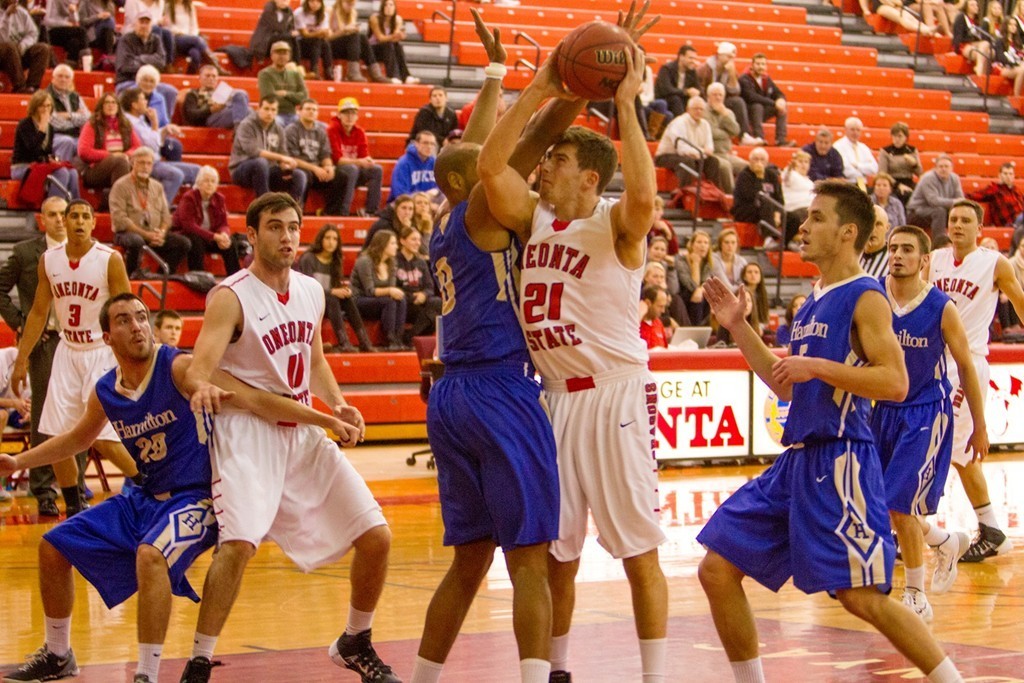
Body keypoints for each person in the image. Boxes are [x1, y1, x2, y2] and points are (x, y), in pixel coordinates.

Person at [0, 293, 357, 683]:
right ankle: (58, 654)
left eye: (141, 317)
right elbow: (77, 439)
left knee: (150, 555)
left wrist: (325, 419)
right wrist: (18, 462)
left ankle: (146, 674)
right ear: (107, 337)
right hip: (144, 497)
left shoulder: (178, 367)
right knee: (52, 547)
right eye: (124, 320)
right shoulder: (106, 390)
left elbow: (256, 400)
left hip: (197, 496)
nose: (137, 326)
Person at [697, 180, 963, 683]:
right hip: (796, 462)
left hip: (839, 459)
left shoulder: (866, 296)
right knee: (716, 568)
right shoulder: (813, 301)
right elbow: (785, 382)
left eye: (816, 217)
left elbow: (895, 381)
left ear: (847, 233)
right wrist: (738, 326)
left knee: (861, 597)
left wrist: (817, 367)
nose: (802, 227)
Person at [478, 38, 669, 682]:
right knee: (557, 552)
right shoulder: (532, 218)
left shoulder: (616, 224)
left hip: (615, 394)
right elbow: (490, 166)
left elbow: (644, 198)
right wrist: (539, 88)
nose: (544, 167)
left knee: (638, 551)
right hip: (555, 398)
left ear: (590, 178)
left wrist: (627, 105)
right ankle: (557, 670)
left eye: (557, 160)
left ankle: (654, 676)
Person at [180, 192, 397, 683]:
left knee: (376, 536)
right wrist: (211, 388)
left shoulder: (311, 289)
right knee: (238, 544)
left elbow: (314, 359)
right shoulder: (230, 296)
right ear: (252, 235)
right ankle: (199, 660)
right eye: (275, 227)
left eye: (293, 227)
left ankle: (355, 640)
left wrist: (337, 402)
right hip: (247, 433)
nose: (287, 236)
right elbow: (197, 370)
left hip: (300, 428)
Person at [876, 225, 987, 623]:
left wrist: (979, 425)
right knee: (882, 504)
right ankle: (945, 541)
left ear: (925, 260)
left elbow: (966, 367)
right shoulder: (874, 297)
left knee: (900, 503)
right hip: (881, 409)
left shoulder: (941, 307)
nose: (897, 255)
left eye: (907, 249)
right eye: (893, 248)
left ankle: (916, 594)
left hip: (925, 412)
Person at [10, 199, 139, 518]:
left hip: (101, 352)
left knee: (104, 438)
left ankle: (152, 487)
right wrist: (21, 360)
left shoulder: (109, 259)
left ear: (94, 223)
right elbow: (38, 312)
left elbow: (128, 310)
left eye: (85, 216)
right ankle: (74, 505)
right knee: (57, 433)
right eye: (74, 216)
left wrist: (132, 358)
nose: (79, 221)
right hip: (67, 350)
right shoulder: (49, 259)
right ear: (64, 222)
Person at [927, 199, 1024, 563]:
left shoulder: (994, 263)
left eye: (966, 220)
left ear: (980, 229)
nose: (958, 225)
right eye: (953, 219)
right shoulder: (934, 260)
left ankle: (986, 528)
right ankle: (919, 526)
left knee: (957, 449)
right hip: (934, 362)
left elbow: (1019, 301)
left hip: (967, 363)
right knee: (933, 443)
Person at [0, 197, 88, 518]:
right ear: (42, 220)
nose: (60, 220)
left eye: (64, 214)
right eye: (52, 214)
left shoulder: (87, 253)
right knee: (44, 415)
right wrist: (20, 323)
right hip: (45, 342)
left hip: (80, 342)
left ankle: (77, 488)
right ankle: (43, 490)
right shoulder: (27, 253)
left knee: (81, 414)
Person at [110, 147, 192, 277]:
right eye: (141, 163)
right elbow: (120, 219)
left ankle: (162, 277)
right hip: (127, 233)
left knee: (183, 243)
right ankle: (131, 277)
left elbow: (166, 216)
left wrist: (162, 232)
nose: (145, 167)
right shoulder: (120, 185)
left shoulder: (157, 186)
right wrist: (146, 235)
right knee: (136, 241)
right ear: (132, 163)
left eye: (149, 163)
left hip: (153, 234)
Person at [295, 223, 376, 352]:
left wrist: (344, 290)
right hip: (309, 301)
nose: (331, 242)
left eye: (334, 239)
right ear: (321, 239)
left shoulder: (335, 260)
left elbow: (335, 286)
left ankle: (364, 342)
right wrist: (333, 291)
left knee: (347, 299)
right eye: (327, 238)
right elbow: (307, 288)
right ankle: (344, 342)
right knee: (332, 298)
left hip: (327, 303)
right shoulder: (308, 258)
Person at [120, 86, 200, 207]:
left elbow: (155, 140)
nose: (146, 102)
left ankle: (190, 209)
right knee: (175, 175)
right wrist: (155, 122)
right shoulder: (130, 123)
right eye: (143, 99)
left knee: (197, 171)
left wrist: (165, 130)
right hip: (144, 164)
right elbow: (152, 145)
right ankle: (158, 211)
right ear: (134, 105)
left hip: (156, 161)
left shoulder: (140, 119)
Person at [228, 95, 308, 204]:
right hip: (242, 170)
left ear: (277, 111)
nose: (269, 113)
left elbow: (283, 153)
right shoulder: (246, 125)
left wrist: (285, 165)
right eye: (266, 109)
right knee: (260, 163)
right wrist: (281, 158)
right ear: (259, 109)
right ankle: (265, 205)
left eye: (273, 110)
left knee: (299, 175)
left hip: (268, 171)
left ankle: (291, 208)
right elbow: (253, 151)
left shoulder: (279, 129)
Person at [11, 90, 80, 205]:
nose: (46, 109)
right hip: (22, 167)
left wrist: (51, 159)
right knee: (62, 172)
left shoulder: (50, 127)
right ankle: (53, 207)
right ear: (35, 107)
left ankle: (75, 206)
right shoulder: (25, 125)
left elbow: (45, 152)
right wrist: (42, 130)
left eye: (48, 106)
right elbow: (32, 150)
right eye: (42, 106)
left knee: (72, 172)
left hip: (39, 165)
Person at [172, 165, 242, 276]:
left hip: (209, 237)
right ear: (199, 183)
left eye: (213, 181)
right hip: (188, 236)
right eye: (206, 181)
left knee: (230, 242)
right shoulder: (189, 198)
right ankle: (198, 276)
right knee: (196, 239)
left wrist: (224, 234)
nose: (210, 184)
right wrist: (214, 236)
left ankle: (235, 278)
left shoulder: (219, 199)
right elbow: (189, 226)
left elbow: (223, 223)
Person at [286, 99, 349, 216]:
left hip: (317, 170)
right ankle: (298, 212)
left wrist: (329, 167)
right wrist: (314, 168)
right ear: (299, 111)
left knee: (341, 176)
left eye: (314, 110)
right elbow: (292, 158)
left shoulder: (321, 131)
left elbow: (325, 154)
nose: (311, 112)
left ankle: (330, 213)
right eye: (308, 109)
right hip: (299, 168)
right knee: (304, 175)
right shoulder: (291, 130)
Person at [350, 229, 409, 351]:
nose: (396, 247)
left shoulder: (392, 263)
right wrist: (390, 291)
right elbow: (369, 291)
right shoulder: (365, 261)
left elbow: (391, 289)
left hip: (380, 301)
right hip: (359, 300)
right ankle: (390, 339)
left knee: (400, 299)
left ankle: (398, 339)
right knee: (389, 301)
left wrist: (392, 291)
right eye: (393, 243)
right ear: (383, 244)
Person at [115, 13, 178, 123]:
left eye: (147, 23)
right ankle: (134, 124)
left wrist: (139, 59)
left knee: (171, 91)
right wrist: (149, 63)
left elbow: (161, 61)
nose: (144, 26)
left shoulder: (156, 39)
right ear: (135, 24)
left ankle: (163, 125)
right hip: (128, 81)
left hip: (150, 82)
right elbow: (125, 65)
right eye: (141, 22)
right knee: (139, 91)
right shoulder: (126, 40)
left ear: (151, 26)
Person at [76, 93, 141, 198]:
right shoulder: (92, 124)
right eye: (107, 102)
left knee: (142, 164)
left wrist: (126, 155)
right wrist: (111, 155)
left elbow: (137, 147)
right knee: (120, 162)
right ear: (101, 106)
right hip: (95, 170)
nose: (111, 105)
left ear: (118, 107)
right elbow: (84, 151)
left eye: (113, 102)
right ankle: (120, 202)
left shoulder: (125, 124)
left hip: (123, 163)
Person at [328, 97, 384, 217]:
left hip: (354, 171)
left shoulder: (359, 132)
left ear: (357, 116)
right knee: (352, 169)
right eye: (346, 113)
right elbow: (337, 160)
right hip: (336, 173)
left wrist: (368, 161)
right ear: (339, 115)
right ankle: (343, 212)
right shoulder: (332, 130)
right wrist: (359, 162)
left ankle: (371, 211)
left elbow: (364, 155)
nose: (349, 117)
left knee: (376, 169)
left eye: (353, 113)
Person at [654, 96, 725, 191]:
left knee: (712, 161)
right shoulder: (679, 123)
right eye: (695, 109)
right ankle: (684, 192)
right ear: (688, 110)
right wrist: (702, 151)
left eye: (701, 109)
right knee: (687, 162)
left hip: (694, 156)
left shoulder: (705, 124)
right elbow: (682, 149)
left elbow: (710, 148)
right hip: (666, 156)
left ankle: (713, 192)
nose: (698, 111)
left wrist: (702, 152)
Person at [732, 147, 788, 248]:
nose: (759, 163)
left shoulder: (772, 175)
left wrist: (777, 213)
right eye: (756, 159)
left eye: (762, 160)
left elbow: (779, 198)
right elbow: (752, 196)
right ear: (750, 161)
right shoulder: (744, 175)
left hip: (769, 209)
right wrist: (759, 178)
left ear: (766, 163)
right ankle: (769, 238)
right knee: (765, 200)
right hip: (746, 209)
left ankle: (786, 242)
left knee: (793, 217)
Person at [395, 226, 440, 342]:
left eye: (419, 240)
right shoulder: (394, 261)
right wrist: (412, 296)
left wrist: (424, 295)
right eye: (413, 239)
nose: (418, 243)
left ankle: (410, 336)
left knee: (437, 303)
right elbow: (393, 287)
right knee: (431, 316)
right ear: (402, 241)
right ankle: (412, 337)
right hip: (404, 303)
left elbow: (430, 287)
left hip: (420, 302)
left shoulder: (421, 262)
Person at [328, 0, 389, 82]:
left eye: (352, 5)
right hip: (330, 46)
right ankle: (352, 73)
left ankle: (376, 73)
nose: (350, 7)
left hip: (348, 47)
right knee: (354, 36)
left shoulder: (353, 13)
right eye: (348, 4)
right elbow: (327, 38)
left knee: (362, 37)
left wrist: (353, 29)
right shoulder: (331, 11)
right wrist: (344, 30)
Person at [0, 0, 51, 94]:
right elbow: (3, 38)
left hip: (18, 52)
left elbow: (33, 33)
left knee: (43, 48)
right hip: (3, 53)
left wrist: (23, 46)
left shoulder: (21, 12)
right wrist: (7, 16)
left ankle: (32, 87)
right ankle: (20, 87)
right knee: (10, 47)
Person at [907, 154, 963, 238]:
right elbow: (933, 201)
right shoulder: (928, 178)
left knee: (960, 210)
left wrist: (958, 203)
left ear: (951, 168)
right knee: (939, 212)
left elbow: (960, 198)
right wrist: (954, 202)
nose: (943, 169)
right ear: (935, 168)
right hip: (917, 211)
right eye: (941, 166)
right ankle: (939, 241)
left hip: (939, 209)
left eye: (946, 166)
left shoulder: (955, 178)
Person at [257, 41, 309, 128]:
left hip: (293, 114)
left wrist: (286, 94)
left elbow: (304, 98)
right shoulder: (265, 74)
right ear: (272, 56)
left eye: (285, 53)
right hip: (274, 114)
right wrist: (294, 97)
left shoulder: (296, 74)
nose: (281, 56)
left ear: (289, 56)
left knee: (317, 126)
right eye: (278, 53)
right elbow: (269, 97)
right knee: (276, 125)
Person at [47, 64, 92, 163]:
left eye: (67, 77)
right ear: (53, 79)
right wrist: (77, 118)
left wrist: (69, 115)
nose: (63, 80)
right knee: (67, 142)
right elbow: (54, 122)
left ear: (71, 81)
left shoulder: (75, 97)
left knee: (87, 144)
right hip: (53, 135)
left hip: (76, 135)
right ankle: (61, 169)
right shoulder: (46, 96)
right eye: (60, 76)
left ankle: (79, 172)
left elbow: (88, 118)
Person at [182, 65, 250, 129]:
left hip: (227, 113)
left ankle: (239, 128)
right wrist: (211, 110)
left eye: (214, 76)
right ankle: (240, 130)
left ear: (217, 79)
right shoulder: (192, 94)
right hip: (209, 118)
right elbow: (192, 115)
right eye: (207, 76)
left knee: (243, 99)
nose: (211, 78)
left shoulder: (221, 92)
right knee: (245, 109)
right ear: (200, 78)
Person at [165, 0, 222, 75]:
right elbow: (169, 26)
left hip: (191, 39)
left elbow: (194, 26)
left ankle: (190, 75)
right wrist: (184, 34)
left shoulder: (189, 6)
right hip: (176, 38)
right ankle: (216, 66)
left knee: (195, 54)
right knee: (197, 40)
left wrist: (191, 35)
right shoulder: (167, 6)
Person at [368, 0, 417, 84]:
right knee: (388, 45)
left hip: (388, 48)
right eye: (386, 5)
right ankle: (394, 76)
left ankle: (406, 76)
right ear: (382, 7)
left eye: (391, 5)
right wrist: (394, 36)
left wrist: (400, 36)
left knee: (398, 46)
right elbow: (381, 38)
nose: (388, 7)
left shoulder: (398, 19)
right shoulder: (375, 18)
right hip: (373, 50)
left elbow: (395, 38)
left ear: (395, 8)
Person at [878, 122, 922, 206]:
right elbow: (882, 173)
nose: (897, 139)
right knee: (904, 195)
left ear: (906, 137)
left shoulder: (912, 150)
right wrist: (898, 185)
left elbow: (920, 173)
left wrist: (914, 164)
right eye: (894, 136)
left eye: (900, 136)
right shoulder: (885, 151)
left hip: (909, 181)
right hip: (892, 183)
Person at [967, 162, 1024, 228]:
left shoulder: (1017, 190)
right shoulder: (994, 189)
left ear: (1014, 176)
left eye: (1010, 174)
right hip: (1009, 223)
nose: (1008, 176)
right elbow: (973, 196)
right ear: (999, 175)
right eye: (1005, 173)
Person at [654, 43, 701, 118]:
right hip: (666, 100)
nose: (693, 61)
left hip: (682, 101)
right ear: (681, 57)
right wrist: (686, 92)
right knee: (675, 99)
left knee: (698, 101)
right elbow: (666, 90)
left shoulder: (692, 72)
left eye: (695, 59)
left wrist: (697, 92)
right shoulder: (667, 69)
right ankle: (682, 122)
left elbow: (698, 88)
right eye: (690, 58)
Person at [390, 130, 438, 201]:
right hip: (406, 203)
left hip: (429, 203)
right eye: (425, 143)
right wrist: (421, 199)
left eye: (432, 144)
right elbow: (400, 193)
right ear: (416, 144)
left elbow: (441, 188)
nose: (429, 146)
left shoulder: (435, 163)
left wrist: (435, 191)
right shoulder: (404, 163)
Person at [677, 229, 713, 325]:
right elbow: (691, 286)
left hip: (699, 295)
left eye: (706, 243)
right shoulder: (681, 261)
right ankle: (696, 328)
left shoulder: (707, 263)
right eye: (699, 242)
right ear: (691, 245)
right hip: (683, 294)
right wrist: (695, 264)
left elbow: (706, 281)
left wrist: (700, 289)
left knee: (708, 295)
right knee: (698, 295)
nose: (703, 245)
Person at [833, 117, 878, 187]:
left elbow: (874, 168)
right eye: (852, 129)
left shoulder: (864, 148)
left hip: (862, 184)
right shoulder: (838, 146)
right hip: (846, 184)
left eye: (858, 130)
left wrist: (857, 165)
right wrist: (863, 173)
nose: (855, 133)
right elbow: (845, 169)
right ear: (845, 130)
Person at [42, 0, 88, 69]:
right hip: (51, 32)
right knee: (81, 31)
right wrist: (66, 24)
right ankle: (86, 60)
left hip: (66, 32)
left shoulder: (71, 2)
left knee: (74, 42)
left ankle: (69, 68)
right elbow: (46, 21)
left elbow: (75, 22)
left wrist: (73, 12)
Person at [294, 0, 332, 80]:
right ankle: (314, 69)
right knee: (317, 41)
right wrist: (319, 33)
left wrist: (324, 33)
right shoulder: (299, 13)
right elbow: (304, 34)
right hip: (299, 43)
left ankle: (328, 70)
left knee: (325, 43)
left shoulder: (324, 14)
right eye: (312, 1)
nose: (315, 4)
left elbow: (325, 33)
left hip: (316, 44)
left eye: (318, 2)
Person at [952, 0, 990, 77]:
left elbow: (980, 37)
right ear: (966, 7)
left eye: (976, 5)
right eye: (972, 5)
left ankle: (980, 73)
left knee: (987, 47)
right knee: (985, 54)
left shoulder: (978, 20)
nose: (975, 7)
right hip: (964, 45)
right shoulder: (961, 17)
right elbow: (958, 36)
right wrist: (955, 49)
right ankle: (980, 72)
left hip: (975, 46)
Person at [860, 205, 891, 280]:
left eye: (878, 224)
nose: (872, 229)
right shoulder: (852, 255)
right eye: (868, 224)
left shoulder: (894, 261)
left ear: (887, 228)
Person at [639, 285, 669, 349]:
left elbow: (665, 348)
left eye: (664, 307)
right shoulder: (635, 325)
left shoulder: (658, 323)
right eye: (660, 306)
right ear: (648, 303)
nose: (663, 311)